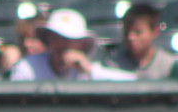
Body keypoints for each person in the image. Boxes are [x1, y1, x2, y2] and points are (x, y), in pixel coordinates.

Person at [8, 8, 137, 81]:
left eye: (69, 39)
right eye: (57, 38)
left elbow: (132, 81)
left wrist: (90, 71)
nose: (62, 45)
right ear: (49, 39)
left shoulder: (88, 71)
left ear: (80, 44)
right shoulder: (27, 67)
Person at [103, 3, 178, 79]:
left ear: (154, 31)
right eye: (127, 32)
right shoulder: (113, 66)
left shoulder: (168, 66)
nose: (131, 37)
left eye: (138, 32)